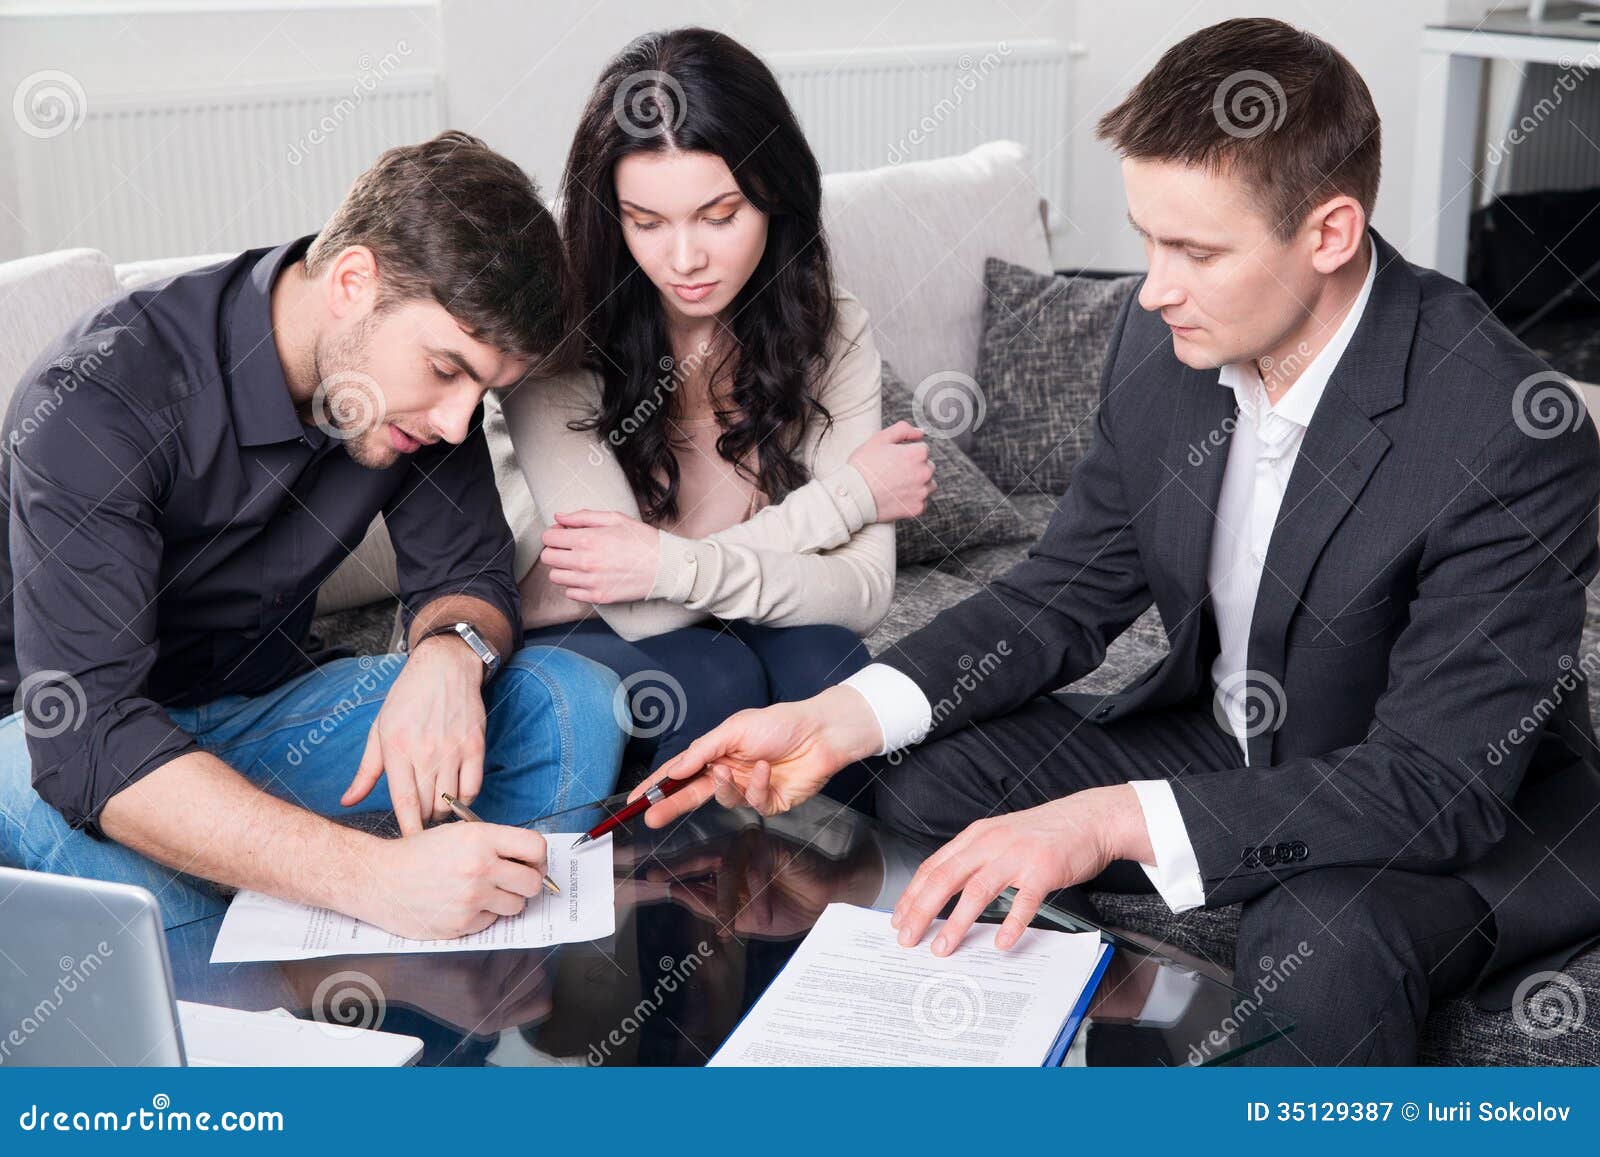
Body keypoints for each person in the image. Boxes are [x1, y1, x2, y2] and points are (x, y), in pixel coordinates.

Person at [629, 19, 1600, 1065]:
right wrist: (832, 717)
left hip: (1451, 800)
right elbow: (1062, 589)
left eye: (1194, 249)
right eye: (1146, 238)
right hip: (1229, 737)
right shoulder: (1163, 337)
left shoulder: (1506, 427)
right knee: (922, 778)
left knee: (1321, 938)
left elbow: (1434, 784)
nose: (1150, 285)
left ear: (1328, 233)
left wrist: (1108, 821)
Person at [0, 132, 624, 936]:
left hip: (256, 716)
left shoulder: (422, 399)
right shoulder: (99, 399)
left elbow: (469, 569)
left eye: (485, 390)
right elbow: (87, 739)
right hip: (64, 744)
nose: (457, 420)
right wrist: (370, 878)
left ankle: (463, 984)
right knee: (106, 851)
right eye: (445, 369)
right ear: (353, 281)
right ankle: (319, 976)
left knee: (574, 705)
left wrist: (449, 655)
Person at [496, 28, 933, 789]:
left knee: (832, 670)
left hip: (725, 607)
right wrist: (851, 496)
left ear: (775, 197)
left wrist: (664, 562)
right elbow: (641, 614)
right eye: (647, 221)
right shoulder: (556, 344)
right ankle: (661, 904)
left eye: (719, 215)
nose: (685, 259)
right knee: (711, 679)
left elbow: (864, 591)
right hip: (564, 631)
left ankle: (856, 897)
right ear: (611, 217)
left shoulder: (828, 323)